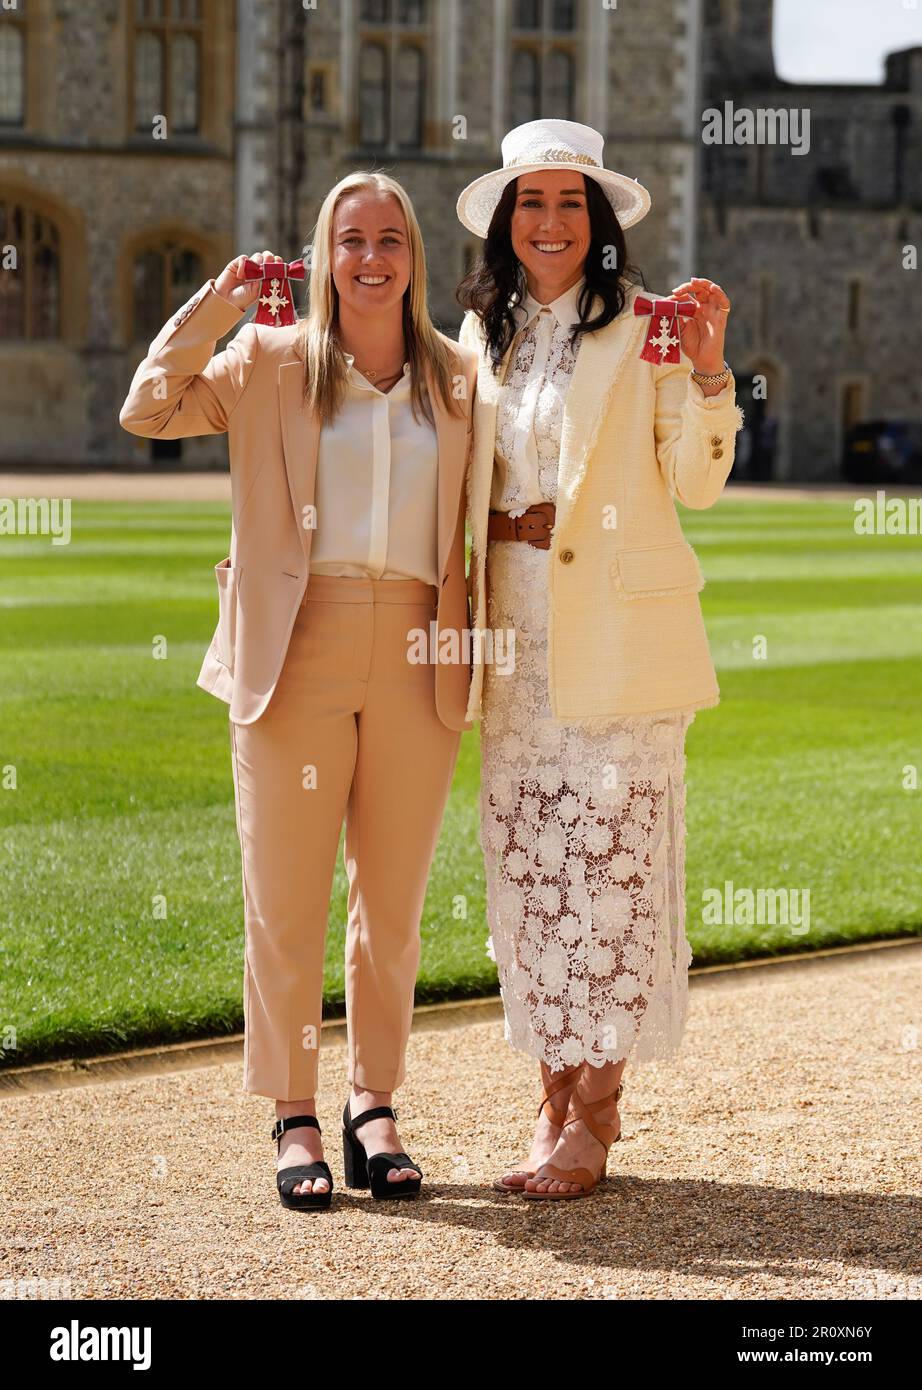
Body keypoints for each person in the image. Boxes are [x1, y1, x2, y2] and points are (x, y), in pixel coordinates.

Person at [119, 172, 476, 1210]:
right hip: (296, 643)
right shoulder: (267, 360)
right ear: (324, 258)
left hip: (419, 648)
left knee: (393, 906)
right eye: (351, 239)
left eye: (391, 240)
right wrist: (218, 304)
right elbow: (147, 407)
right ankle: (294, 1110)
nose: (371, 258)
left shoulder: (455, 376)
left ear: (413, 259)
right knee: (284, 903)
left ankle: (374, 1103)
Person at [455, 119, 744, 1200]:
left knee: (608, 889)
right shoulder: (480, 335)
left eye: (570, 202)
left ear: (600, 220)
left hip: (619, 647)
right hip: (514, 648)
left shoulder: (649, 328)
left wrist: (713, 379)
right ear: (504, 221)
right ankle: (546, 1101)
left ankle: (595, 1118)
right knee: (532, 888)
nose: (549, 221)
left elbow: (698, 479)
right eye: (531, 202)